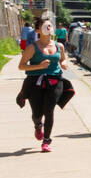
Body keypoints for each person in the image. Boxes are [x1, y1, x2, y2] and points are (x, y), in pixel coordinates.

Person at [17, 17, 71, 151]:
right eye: (44, 25)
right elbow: (21, 66)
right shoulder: (32, 47)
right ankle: (37, 125)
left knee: (49, 110)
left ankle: (46, 140)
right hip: (35, 81)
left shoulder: (59, 46)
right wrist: (38, 66)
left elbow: (63, 60)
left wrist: (64, 63)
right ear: (37, 30)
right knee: (37, 113)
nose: (48, 27)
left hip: (54, 81)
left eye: (49, 25)